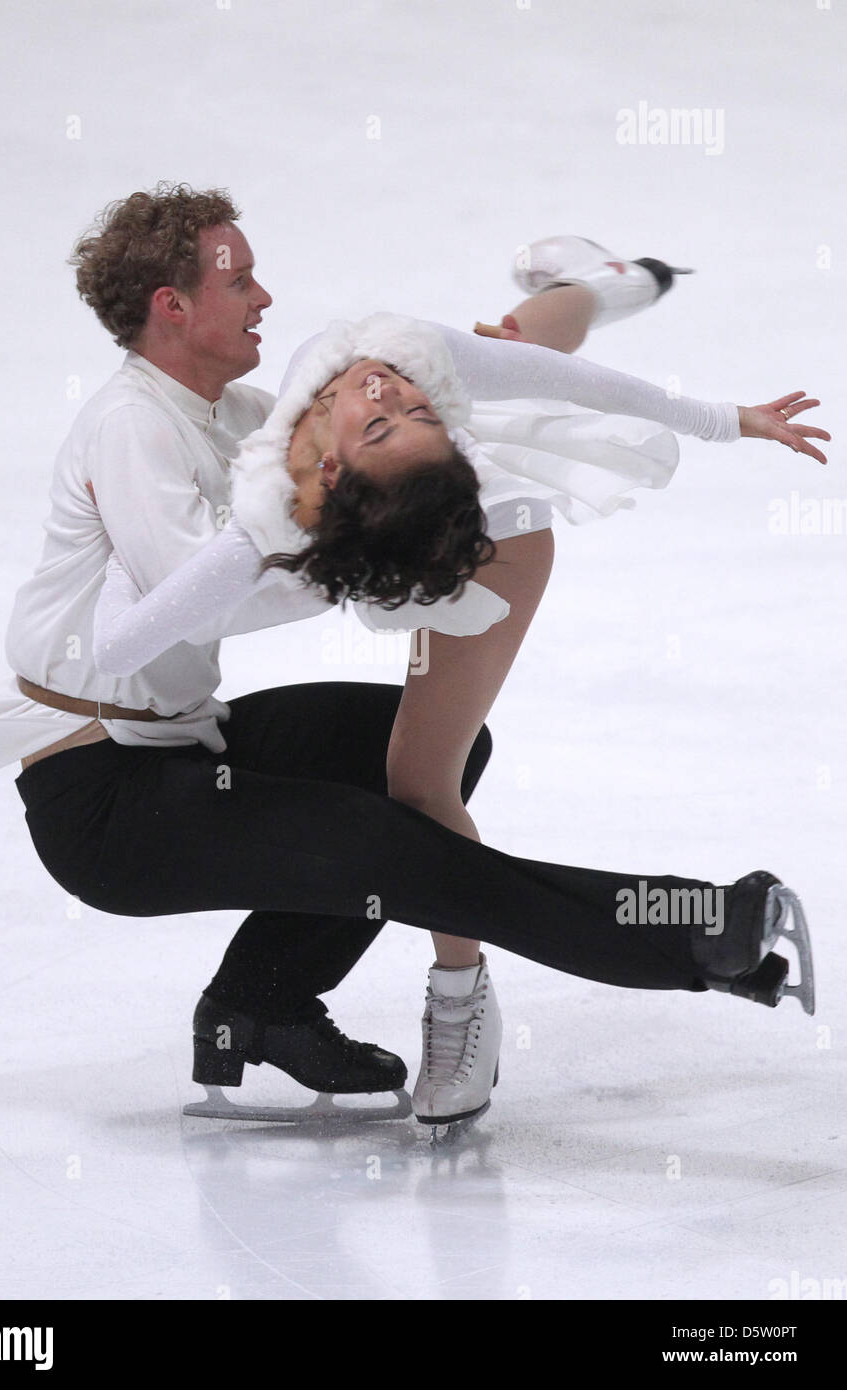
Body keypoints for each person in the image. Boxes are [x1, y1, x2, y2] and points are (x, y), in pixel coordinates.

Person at [89, 242, 823, 1133]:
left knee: (418, 775)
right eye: (379, 406)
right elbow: (149, 625)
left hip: (492, 542)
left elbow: (574, 387)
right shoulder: (346, 404)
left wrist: (725, 419)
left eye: (399, 405)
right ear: (330, 460)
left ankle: (461, 1005)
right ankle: (593, 281)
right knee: (519, 341)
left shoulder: (371, 393)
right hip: (387, 509)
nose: (384, 387)